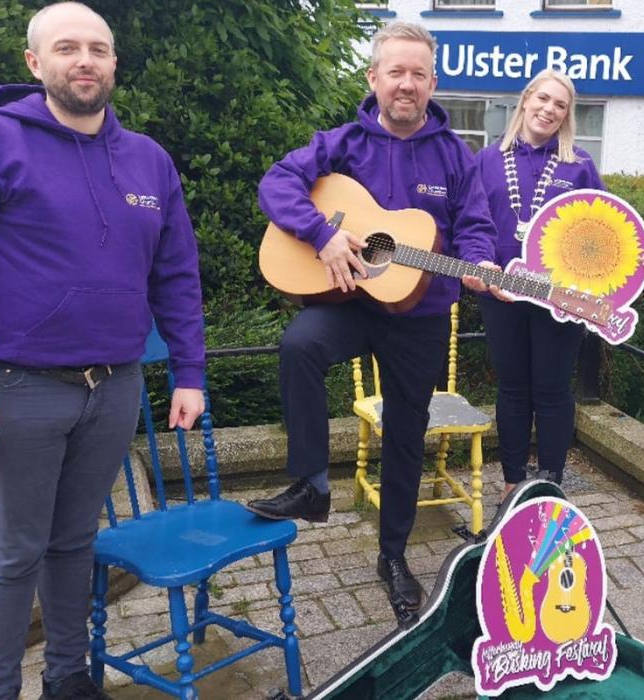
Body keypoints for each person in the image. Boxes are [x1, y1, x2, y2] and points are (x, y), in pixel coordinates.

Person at [0, 3, 206, 698]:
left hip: (115, 385)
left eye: (98, 49)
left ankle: (69, 677)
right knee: (15, 555)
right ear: (34, 63)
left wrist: (188, 371)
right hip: (17, 387)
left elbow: (176, 274)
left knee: (75, 542)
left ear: (113, 64)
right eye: (67, 48)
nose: (85, 60)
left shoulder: (147, 161)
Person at [247, 21, 500, 620]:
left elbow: (476, 227)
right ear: (374, 78)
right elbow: (277, 183)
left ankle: (393, 556)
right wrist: (323, 234)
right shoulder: (339, 144)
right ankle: (311, 484)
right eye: (396, 72)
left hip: (418, 316)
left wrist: (481, 266)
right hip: (347, 304)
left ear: (432, 82)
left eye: (418, 74)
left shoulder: (454, 156)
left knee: (407, 436)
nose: (407, 84)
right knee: (298, 346)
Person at [474, 70, 644, 498]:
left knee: (554, 388)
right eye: (542, 99)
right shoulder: (485, 160)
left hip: (559, 298)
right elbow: (472, 224)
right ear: (525, 101)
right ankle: (512, 482)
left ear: (566, 115)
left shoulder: (578, 164)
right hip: (501, 293)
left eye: (560, 105)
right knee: (513, 387)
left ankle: (552, 480)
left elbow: (604, 228)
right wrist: (484, 268)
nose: (548, 109)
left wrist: (640, 258)